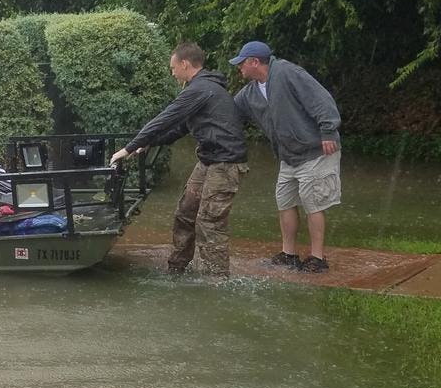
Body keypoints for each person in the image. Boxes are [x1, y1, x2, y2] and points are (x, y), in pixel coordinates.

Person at [110, 42, 248, 277]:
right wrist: (151, 142)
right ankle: (176, 270)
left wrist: (129, 147)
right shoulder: (203, 88)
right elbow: (181, 127)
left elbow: (167, 117)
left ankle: (217, 280)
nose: (172, 72)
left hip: (225, 162)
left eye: (173, 68)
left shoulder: (200, 89)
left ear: (185, 64)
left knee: (209, 222)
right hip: (208, 160)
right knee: (185, 213)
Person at [231, 40, 341, 273]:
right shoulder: (249, 93)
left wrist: (328, 130)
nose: (238, 67)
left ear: (255, 62)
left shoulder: (287, 72)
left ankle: (317, 258)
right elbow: (229, 112)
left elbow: (320, 98)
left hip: (316, 150)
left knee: (314, 203)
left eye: (241, 63)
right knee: (285, 201)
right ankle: (289, 254)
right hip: (288, 156)